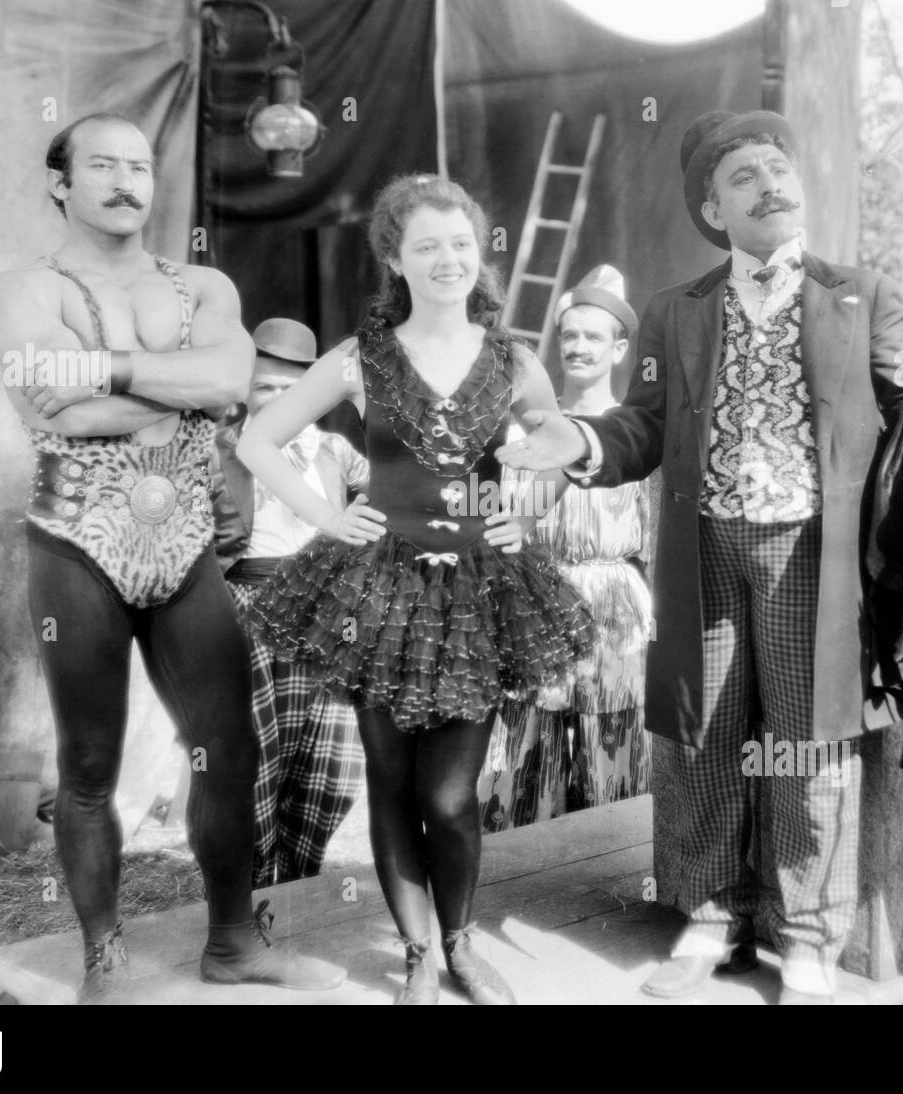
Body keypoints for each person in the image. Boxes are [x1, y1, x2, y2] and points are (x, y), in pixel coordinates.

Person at [498, 110, 903, 1003]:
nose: (770, 185)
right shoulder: (675, 309)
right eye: (743, 177)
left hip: (812, 554)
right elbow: (647, 427)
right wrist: (581, 441)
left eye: (778, 167)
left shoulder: (859, 293)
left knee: (807, 742)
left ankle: (810, 932)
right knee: (701, 735)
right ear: (712, 206)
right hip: (700, 550)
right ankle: (712, 916)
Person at [0, 111, 345, 1002]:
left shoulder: (204, 285)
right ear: (61, 183)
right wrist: (173, 386)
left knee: (228, 746)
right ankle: (103, 956)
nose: (125, 180)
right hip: (78, 541)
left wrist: (99, 372)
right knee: (90, 763)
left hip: (185, 546)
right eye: (101, 164)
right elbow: (53, 405)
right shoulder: (21, 289)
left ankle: (232, 942)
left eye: (139, 165)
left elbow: (229, 381)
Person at [237, 174, 595, 1005]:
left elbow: (562, 445)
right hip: (376, 591)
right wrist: (327, 518)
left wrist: (526, 513)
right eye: (426, 245)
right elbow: (259, 438)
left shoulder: (513, 359)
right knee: (391, 780)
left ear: (480, 253)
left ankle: (462, 940)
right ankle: (416, 956)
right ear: (396, 257)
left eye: (460, 243)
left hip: (478, 593)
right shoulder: (360, 357)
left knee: (449, 791)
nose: (447, 259)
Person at [479, 265, 652, 830]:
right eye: (570, 335)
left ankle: (615, 865)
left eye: (594, 337)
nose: (579, 348)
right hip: (539, 595)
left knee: (614, 745)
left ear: (620, 347)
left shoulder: (634, 435)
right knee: (530, 744)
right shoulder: (519, 432)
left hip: (615, 601)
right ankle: (519, 872)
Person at [211, 317, 369, 886]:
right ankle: (249, 888)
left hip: (325, 612)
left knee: (331, 756)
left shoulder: (334, 450)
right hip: (250, 605)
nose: (279, 400)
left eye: (291, 390)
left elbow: (394, 482)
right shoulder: (226, 450)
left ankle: (300, 876)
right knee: (257, 754)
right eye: (264, 388)